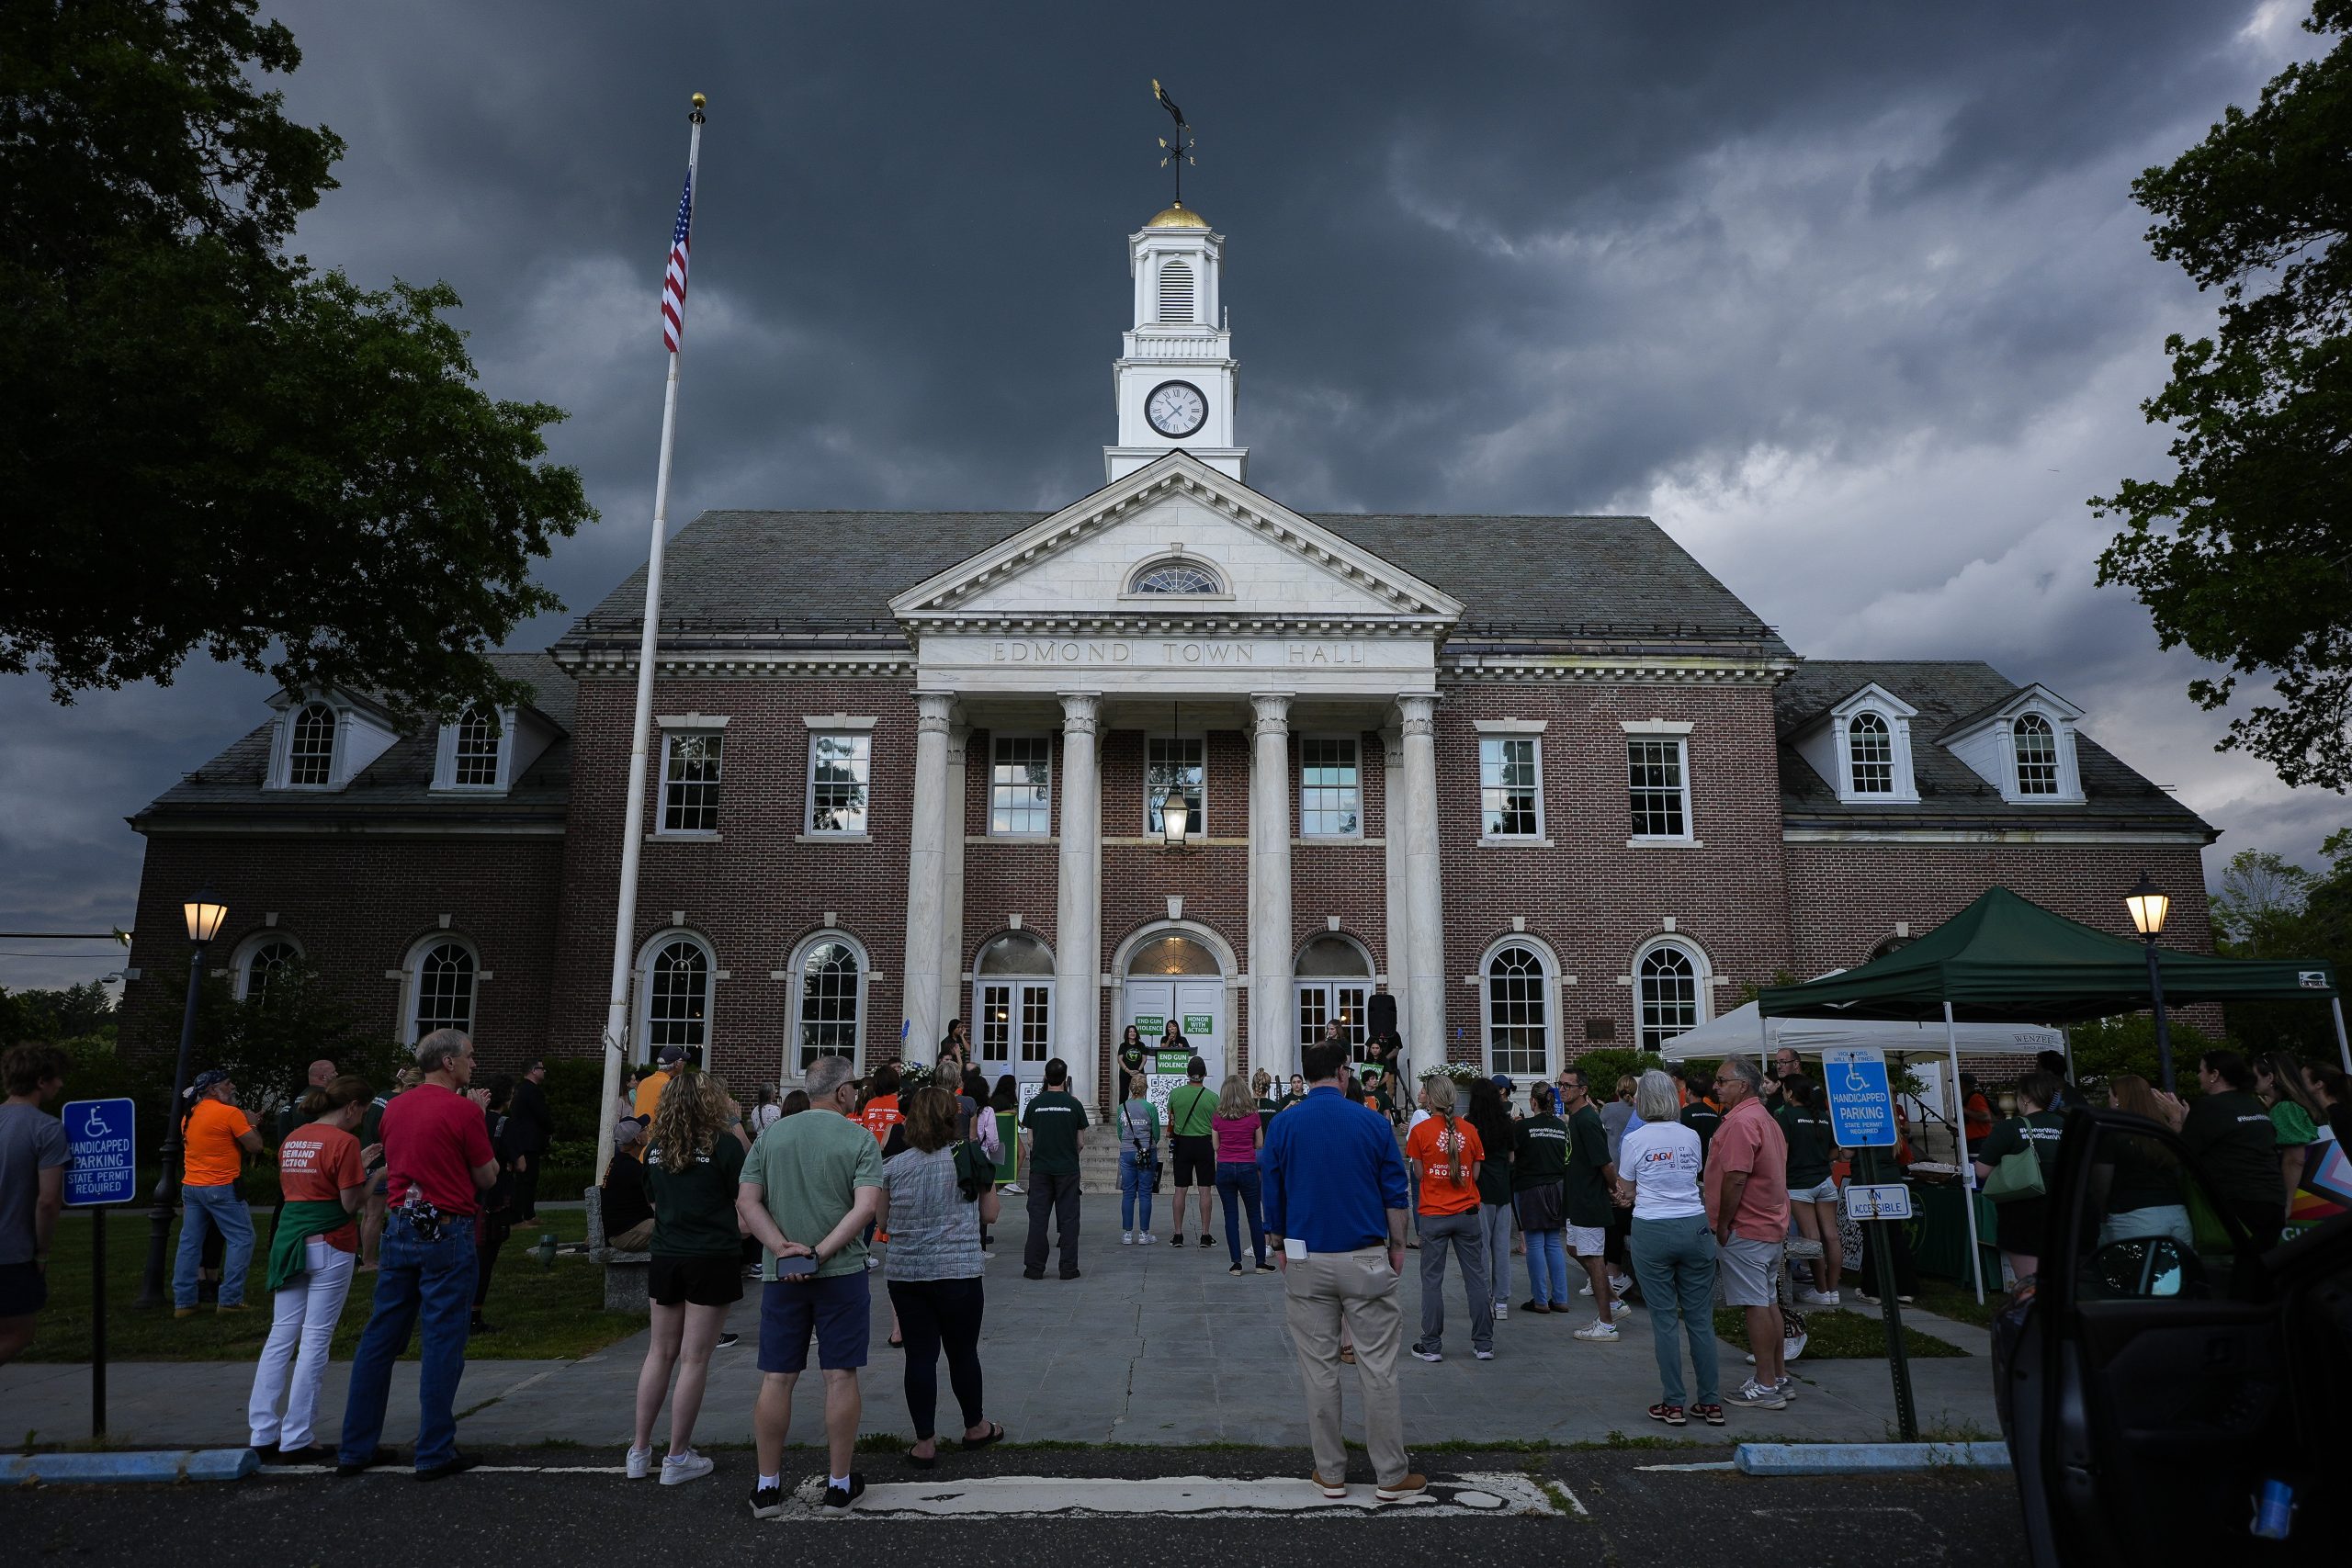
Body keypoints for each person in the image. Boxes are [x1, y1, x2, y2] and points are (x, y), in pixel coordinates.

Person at [1260, 1039, 1421, 1502]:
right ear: (1343, 1072)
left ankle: (1330, 1471)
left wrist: (1277, 1242)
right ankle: (1390, 1474)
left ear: (1306, 1075)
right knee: (1378, 1368)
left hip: (1306, 1255)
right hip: (1365, 1255)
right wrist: (1397, 1247)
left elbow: (1273, 1190)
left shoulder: (1284, 1124)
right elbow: (1395, 1194)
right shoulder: (1371, 1122)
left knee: (1319, 1370)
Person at [337, 1028, 499, 1481]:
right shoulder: (463, 1111)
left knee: (379, 1339)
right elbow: (485, 1175)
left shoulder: (395, 1109)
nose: (472, 1063)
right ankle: (433, 1451)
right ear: (448, 1062)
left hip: (401, 1224)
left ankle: (355, 1447)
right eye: (469, 1056)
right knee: (443, 1339)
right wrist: (481, 1127)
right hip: (447, 1228)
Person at [737, 1054, 887, 1516]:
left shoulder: (771, 1136)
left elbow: (747, 1201)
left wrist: (781, 1247)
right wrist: (819, 1252)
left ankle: (766, 1486)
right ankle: (839, 1484)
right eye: (854, 1089)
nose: (856, 1095)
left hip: (783, 1277)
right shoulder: (860, 1138)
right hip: (840, 1273)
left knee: (777, 1376)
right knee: (839, 1375)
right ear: (842, 1093)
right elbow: (865, 1209)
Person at [628, 1069, 747, 1486]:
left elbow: (655, 1202)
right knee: (694, 1359)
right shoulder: (725, 1146)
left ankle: (639, 1450)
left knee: (658, 1353)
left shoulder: (656, 1147)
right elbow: (746, 1198)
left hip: (666, 1254)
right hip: (711, 1255)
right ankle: (677, 1456)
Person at [248, 1074, 373, 1461]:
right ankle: (298, 1434)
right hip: (330, 1242)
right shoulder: (346, 1141)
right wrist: (378, 1176)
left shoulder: (294, 1137)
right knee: (316, 1339)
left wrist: (358, 1165)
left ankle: (262, 1430)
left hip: (289, 1240)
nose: (361, 1121)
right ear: (351, 1107)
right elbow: (350, 1203)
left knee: (280, 1335)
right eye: (362, 1112)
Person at [883, 1086, 1004, 1466]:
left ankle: (924, 1442)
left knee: (919, 1357)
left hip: (907, 1273)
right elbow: (991, 1214)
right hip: (957, 1270)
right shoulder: (968, 1158)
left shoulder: (893, 1168)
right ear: (952, 1118)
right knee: (962, 1352)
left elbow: (882, 1221)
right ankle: (975, 1426)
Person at [1617, 1070, 1719, 1427]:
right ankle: (1710, 1401)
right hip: (1694, 1223)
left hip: (1652, 1227)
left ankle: (1673, 1402)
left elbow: (1626, 1189)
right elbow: (1695, 1175)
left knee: (1664, 1320)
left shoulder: (1635, 1139)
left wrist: (1624, 1194)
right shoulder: (1690, 1135)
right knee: (1700, 1319)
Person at [1705, 1056, 1792, 1410]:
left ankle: (1766, 1384)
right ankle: (1778, 1377)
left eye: (1722, 1080)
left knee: (1757, 1304)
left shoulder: (1742, 1122)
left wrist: (1724, 1223)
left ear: (1743, 1085)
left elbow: (1736, 1176)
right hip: (1767, 1224)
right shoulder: (1765, 1118)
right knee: (1768, 1301)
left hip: (1747, 1226)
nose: (1716, 1086)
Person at [2158, 1050, 2290, 1245]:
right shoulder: (2251, 1104)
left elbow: (2183, 1154)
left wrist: (2175, 1118)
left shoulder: (2207, 1106)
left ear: (2215, 1075)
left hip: (2240, 1204)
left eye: (2201, 1070)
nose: (2198, 1076)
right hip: (2274, 1200)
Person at [1406, 1075, 1490, 1362]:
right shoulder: (1470, 1130)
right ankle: (1484, 1343)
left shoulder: (1421, 1131)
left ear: (1430, 1098)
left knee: (1432, 1281)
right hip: (1467, 1213)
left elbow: (1418, 1174)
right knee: (1476, 1279)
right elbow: (1476, 1174)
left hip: (1434, 1213)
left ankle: (1431, 1345)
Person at [0, 1044, 69, 1367]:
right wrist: (41, 1251)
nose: (61, 1085)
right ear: (41, 1081)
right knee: (18, 1333)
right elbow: (48, 1200)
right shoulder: (47, 1128)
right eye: (57, 1079)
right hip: (12, 1251)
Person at [175, 1068, 263, 1316]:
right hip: (221, 1187)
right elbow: (255, 1146)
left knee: (189, 1244)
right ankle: (230, 1300)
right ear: (213, 1089)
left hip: (191, 1187)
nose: (232, 1086)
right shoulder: (230, 1113)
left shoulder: (189, 1115)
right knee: (242, 1238)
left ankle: (184, 1302)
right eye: (227, 1083)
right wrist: (252, 1123)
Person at [1972, 1070, 2065, 1284]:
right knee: (2063, 1283)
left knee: (2031, 1286)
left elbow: (1982, 1171)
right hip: (2066, 1212)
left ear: (2026, 1097)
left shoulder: (2010, 1127)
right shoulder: (2068, 1124)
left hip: (2023, 1215)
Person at [1556, 1067, 1626, 1338]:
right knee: (1575, 1249)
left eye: (1568, 1086)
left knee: (1595, 1259)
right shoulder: (1574, 1118)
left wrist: (1615, 1189)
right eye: (1560, 1084)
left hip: (1589, 1199)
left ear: (1582, 1090)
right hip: (1576, 1197)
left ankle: (1607, 1323)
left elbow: (1605, 1162)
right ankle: (1614, 1301)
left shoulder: (1587, 1120)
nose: (1562, 1090)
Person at [2093, 1074, 2194, 1249]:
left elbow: (2102, 1183)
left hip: (2133, 1216)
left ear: (2118, 1099)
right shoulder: (2161, 1131)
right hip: (2177, 1213)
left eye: (2110, 1096)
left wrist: (2100, 1210)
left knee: (2137, 1274)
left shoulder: (2112, 1134)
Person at [1018, 1056, 1088, 1280]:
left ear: (1046, 1077)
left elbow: (1030, 1139)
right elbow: (1081, 1142)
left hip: (1040, 1169)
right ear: (1065, 1079)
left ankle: (1034, 1268)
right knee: (1068, 1220)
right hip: (1067, 1168)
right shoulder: (1074, 1104)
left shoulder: (1035, 1104)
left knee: (1038, 1219)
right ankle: (1068, 1268)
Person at [1781, 1077, 1843, 1306]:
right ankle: (1833, 1290)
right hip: (1825, 1181)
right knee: (1832, 1236)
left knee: (1811, 1237)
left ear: (1789, 1094)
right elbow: (1835, 1153)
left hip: (1799, 1183)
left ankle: (1821, 1290)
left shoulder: (1787, 1116)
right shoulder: (1824, 1118)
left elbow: (1783, 1153)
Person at [1510, 1083, 1570, 1314]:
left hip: (1530, 1187)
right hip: (1556, 1186)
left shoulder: (1524, 1127)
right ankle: (1561, 1298)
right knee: (1554, 1242)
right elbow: (1567, 1156)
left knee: (1535, 1243)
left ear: (1533, 1102)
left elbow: (1513, 1158)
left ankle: (1540, 1299)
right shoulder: (1561, 1126)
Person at [469, 1074, 520, 1336]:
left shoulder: (471, 1119)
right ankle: (473, 1315)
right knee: (484, 1258)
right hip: (493, 1195)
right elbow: (518, 1163)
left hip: (469, 1194)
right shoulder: (503, 1125)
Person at [1464, 1076, 1514, 1325]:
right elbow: (1512, 1158)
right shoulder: (1506, 1123)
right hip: (1503, 1190)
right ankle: (1502, 1300)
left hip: (1480, 1191)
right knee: (1501, 1248)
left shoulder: (1470, 1124)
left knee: (1481, 1247)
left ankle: (1484, 1297)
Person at [358, 1066, 418, 1269]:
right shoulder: (397, 1103)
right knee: (375, 1214)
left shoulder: (382, 1096)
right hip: (380, 1162)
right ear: (409, 1086)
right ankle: (368, 1261)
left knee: (368, 1214)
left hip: (366, 1158)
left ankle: (366, 1255)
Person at [1211, 1074, 1272, 1274]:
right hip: (1247, 1165)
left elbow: (1215, 1145)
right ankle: (1260, 1262)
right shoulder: (1253, 1115)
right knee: (1254, 1214)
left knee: (1230, 1215)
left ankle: (1236, 1263)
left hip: (1225, 1166)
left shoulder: (1218, 1116)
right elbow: (1260, 1143)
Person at [2252, 1050, 2324, 1216]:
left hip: (2306, 1198)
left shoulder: (2284, 1109)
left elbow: (2294, 1159)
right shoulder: (2303, 1103)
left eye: (2254, 1075)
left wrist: (2287, 1203)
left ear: (2270, 1077)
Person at [1164, 1055, 1218, 1248]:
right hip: (1204, 1143)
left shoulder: (1176, 1094)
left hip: (1183, 1142)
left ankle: (1178, 1234)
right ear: (1204, 1074)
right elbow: (1217, 1125)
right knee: (1205, 1190)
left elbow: (1171, 1119)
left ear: (1188, 1074)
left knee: (1180, 1190)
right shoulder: (1213, 1097)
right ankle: (1205, 1234)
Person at [508, 1057, 555, 1224]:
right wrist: (550, 1129)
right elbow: (541, 1115)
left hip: (521, 1140)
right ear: (534, 1070)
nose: (544, 1071)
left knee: (522, 1180)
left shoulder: (520, 1089)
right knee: (528, 1180)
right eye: (542, 1068)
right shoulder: (533, 1091)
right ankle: (525, 1215)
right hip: (530, 1141)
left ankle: (524, 1214)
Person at [1116, 1070, 1159, 1246]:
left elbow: (1120, 1132)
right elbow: (1156, 1133)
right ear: (1145, 1089)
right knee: (1145, 1193)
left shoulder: (1122, 1107)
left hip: (1126, 1151)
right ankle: (1143, 1233)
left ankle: (1127, 1233)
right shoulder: (1150, 1108)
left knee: (1128, 1193)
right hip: (1146, 1151)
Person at [602, 1118, 656, 1248]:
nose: (647, 1132)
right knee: (679, 1227)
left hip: (622, 1229)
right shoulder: (632, 1169)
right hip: (625, 1234)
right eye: (644, 1130)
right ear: (637, 1139)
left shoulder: (619, 1162)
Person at [1679, 1067, 1723, 1160]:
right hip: (1710, 1162)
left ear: (1689, 1091)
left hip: (1690, 1163)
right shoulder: (1714, 1114)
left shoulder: (1682, 1114)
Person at [2305, 1062, 2352, 1147]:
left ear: (2318, 1084)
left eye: (2302, 1080)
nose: (2298, 1084)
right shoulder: (2342, 1111)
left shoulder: (2334, 1116)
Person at [635, 1045, 684, 1121]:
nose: (684, 1064)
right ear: (676, 1064)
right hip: (658, 1132)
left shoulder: (644, 1082)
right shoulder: (671, 1086)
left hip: (639, 1130)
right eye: (683, 1060)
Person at [2035, 1049, 2089, 1114]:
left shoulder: (2063, 1097)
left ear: (2048, 1073)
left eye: (2038, 1067)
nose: (2035, 1072)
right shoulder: (2074, 1094)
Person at [1961, 1073, 1995, 1151]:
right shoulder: (1967, 1099)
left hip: (1980, 1141)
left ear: (1962, 1084)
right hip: (1973, 1140)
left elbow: (1985, 1116)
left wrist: (1963, 1110)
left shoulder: (1976, 1097)